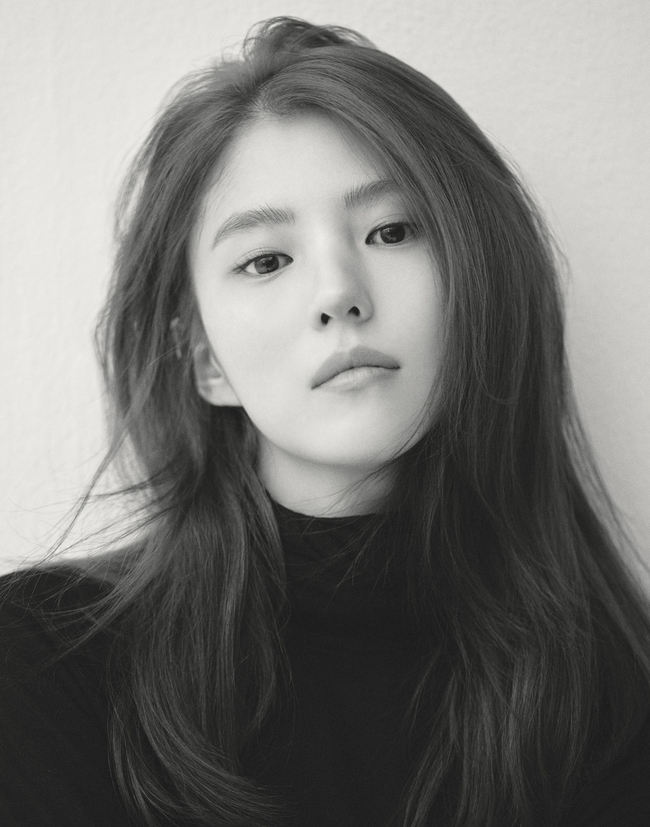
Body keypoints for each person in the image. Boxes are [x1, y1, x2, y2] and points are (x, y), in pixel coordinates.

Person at [1, 16, 649, 827]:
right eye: (266, 260)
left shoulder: (612, 696)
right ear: (204, 359)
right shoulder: (41, 662)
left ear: (480, 288)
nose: (339, 292)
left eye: (391, 231)